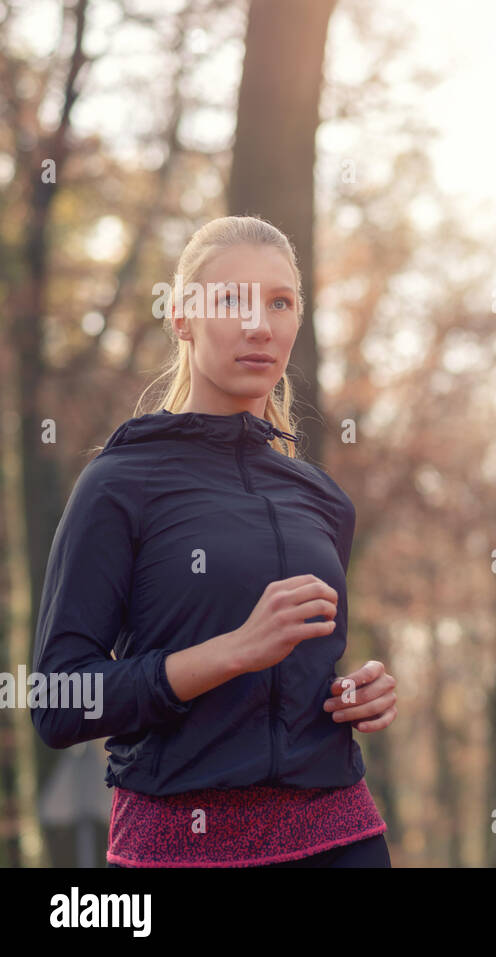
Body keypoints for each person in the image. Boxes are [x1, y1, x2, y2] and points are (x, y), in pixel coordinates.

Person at [30, 215, 397, 867]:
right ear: (182, 317)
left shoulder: (321, 497)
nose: (261, 325)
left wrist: (352, 691)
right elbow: (59, 700)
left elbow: (289, 682)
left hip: (340, 833)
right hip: (181, 845)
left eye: (280, 302)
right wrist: (230, 652)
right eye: (233, 300)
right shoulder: (120, 483)